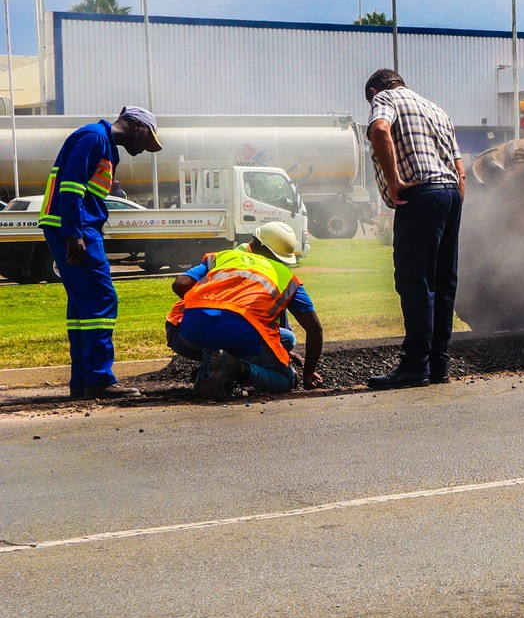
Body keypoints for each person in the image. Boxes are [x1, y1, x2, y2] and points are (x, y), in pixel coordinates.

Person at [39, 106, 162, 399]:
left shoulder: (102, 142)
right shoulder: (94, 137)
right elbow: (70, 186)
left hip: (76, 227)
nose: (145, 148)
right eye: (147, 140)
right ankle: (99, 378)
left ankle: (82, 381)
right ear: (138, 127)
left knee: (83, 306)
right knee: (102, 298)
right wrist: (74, 234)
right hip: (75, 228)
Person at [363, 67, 464, 388]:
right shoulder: (436, 109)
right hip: (450, 195)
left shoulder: (385, 99)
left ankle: (414, 365)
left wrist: (394, 183)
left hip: (420, 195)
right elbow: (460, 171)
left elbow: (380, 129)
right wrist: (452, 203)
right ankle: (439, 365)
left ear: (374, 91)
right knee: (443, 282)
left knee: (415, 280)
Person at [165, 221, 325, 399]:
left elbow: (180, 284)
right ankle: (236, 368)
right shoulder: (285, 275)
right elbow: (315, 328)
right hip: (240, 332)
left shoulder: (224, 256)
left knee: (285, 338)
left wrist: (207, 303)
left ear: (255, 242)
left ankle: (210, 370)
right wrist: (309, 372)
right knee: (287, 379)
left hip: (186, 329)